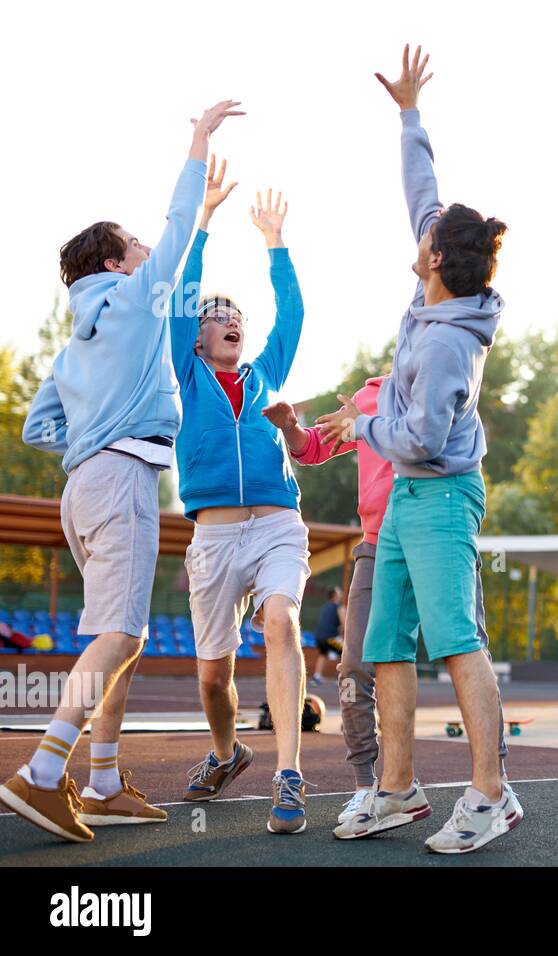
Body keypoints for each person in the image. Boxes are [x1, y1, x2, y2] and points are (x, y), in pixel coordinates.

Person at [0, 100, 243, 842]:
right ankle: (43, 773)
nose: (144, 247)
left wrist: (90, 438)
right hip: (121, 480)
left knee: (122, 635)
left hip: (83, 486)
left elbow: (42, 425)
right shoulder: (137, 300)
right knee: (120, 637)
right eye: (131, 243)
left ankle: (102, 779)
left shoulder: (75, 346)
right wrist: (198, 144)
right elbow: (173, 232)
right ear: (113, 262)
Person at [316, 45, 521, 853]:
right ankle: (397, 791)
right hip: (406, 498)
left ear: (437, 258)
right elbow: (423, 189)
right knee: (382, 644)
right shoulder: (431, 293)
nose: (421, 227)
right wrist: (409, 113)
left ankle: (491, 793)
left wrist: (359, 426)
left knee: (457, 641)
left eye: (428, 235)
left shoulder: (445, 345)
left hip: (440, 494)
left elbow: (423, 439)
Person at [264, 383, 511, 829]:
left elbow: (444, 444)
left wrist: (368, 426)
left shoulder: (446, 377)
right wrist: (292, 429)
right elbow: (315, 448)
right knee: (356, 663)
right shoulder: (371, 393)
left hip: (435, 526)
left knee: (467, 649)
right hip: (378, 544)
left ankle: (493, 780)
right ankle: (368, 787)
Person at [169, 159, 313, 835]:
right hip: (215, 536)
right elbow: (177, 298)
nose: (229, 320)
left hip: (278, 524)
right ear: (198, 338)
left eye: (235, 315)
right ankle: (227, 754)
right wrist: (203, 222)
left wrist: (275, 242)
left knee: (280, 622)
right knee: (211, 678)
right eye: (216, 316)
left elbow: (295, 313)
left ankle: (289, 774)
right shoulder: (188, 377)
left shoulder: (263, 374)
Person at [310, 587, 345, 686]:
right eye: (339, 593)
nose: (341, 595)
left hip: (319, 637)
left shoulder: (324, 607)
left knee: (322, 654)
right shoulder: (339, 607)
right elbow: (345, 623)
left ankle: (317, 677)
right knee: (345, 653)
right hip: (330, 638)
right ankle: (342, 678)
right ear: (335, 596)